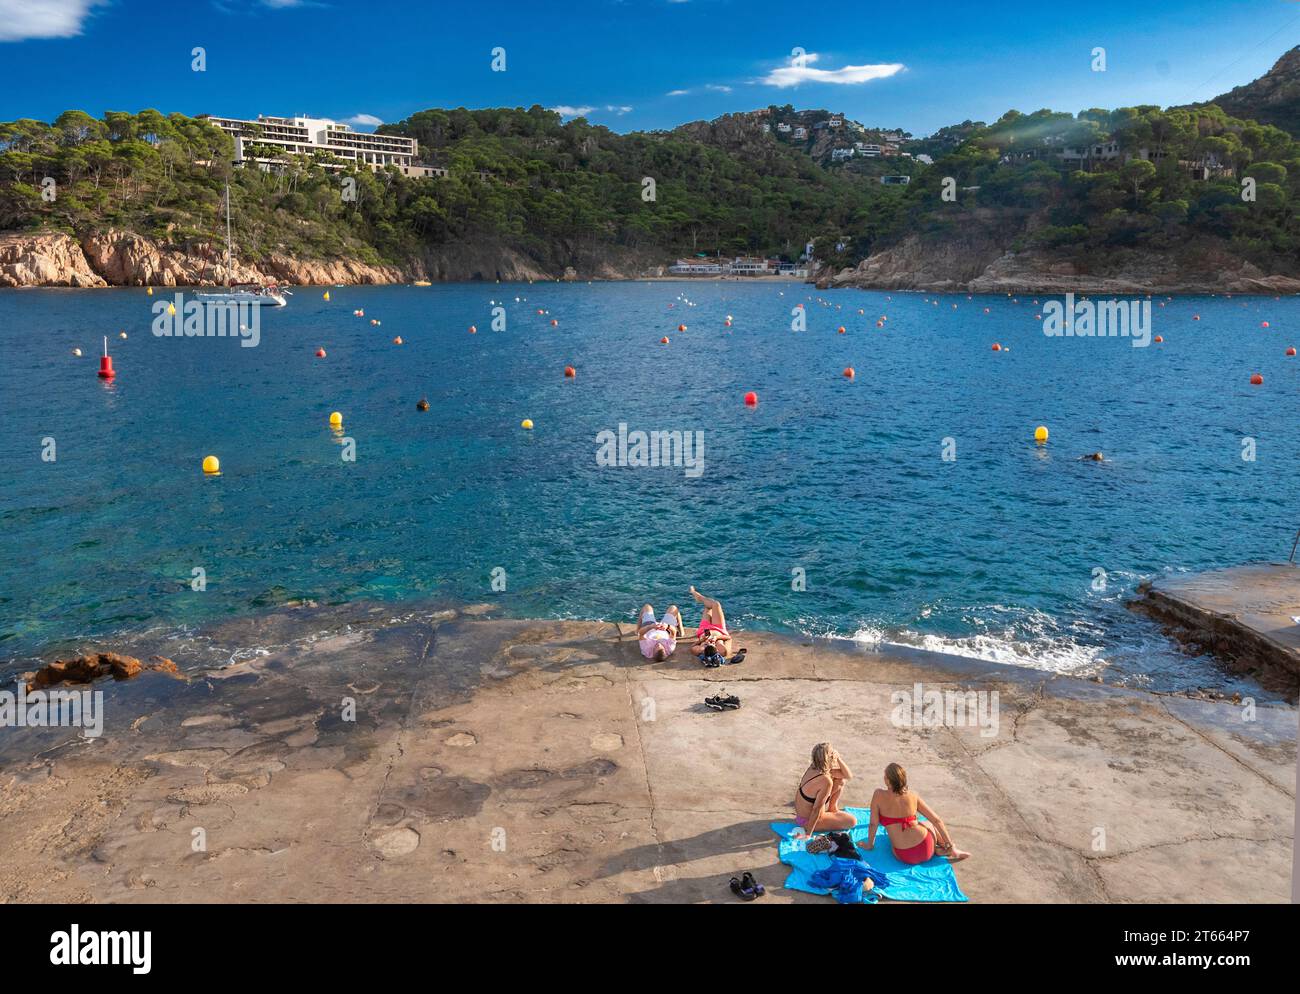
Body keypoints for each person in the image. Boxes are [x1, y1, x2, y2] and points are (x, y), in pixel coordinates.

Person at [858, 762, 970, 864]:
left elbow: (873, 824)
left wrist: (870, 845)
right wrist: (950, 844)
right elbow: (936, 820)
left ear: (887, 780)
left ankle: (941, 850)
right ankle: (947, 849)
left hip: (903, 855)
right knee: (928, 823)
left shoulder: (878, 795)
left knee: (894, 840)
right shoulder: (912, 795)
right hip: (927, 849)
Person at [792, 742, 857, 835]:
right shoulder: (826, 781)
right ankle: (827, 817)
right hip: (808, 821)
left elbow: (848, 776)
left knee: (840, 780)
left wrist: (838, 758)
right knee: (852, 821)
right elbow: (816, 809)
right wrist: (808, 834)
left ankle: (832, 808)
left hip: (802, 816)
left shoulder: (814, 767)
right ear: (828, 758)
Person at [688, 585, 746, 665]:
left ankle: (698, 597)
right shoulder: (722, 650)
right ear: (716, 650)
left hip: (704, 629)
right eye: (712, 644)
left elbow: (691, 648)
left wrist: (702, 641)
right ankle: (699, 597)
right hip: (719, 629)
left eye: (707, 645)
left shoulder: (700, 650)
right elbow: (729, 638)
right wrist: (716, 638)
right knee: (716, 604)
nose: (709, 642)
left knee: (707, 608)